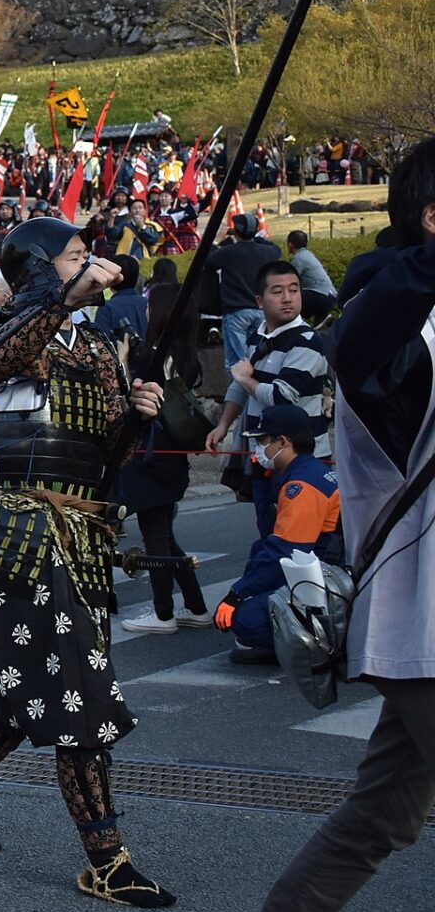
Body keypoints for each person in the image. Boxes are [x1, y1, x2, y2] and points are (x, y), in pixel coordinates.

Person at [0, 219, 176, 908]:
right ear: (38, 267)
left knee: (19, 693)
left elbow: (105, 450)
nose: (90, 264)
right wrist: (61, 301)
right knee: (77, 697)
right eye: (74, 256)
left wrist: (136, 415)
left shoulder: (93, 343)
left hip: (85, 535)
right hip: (27, 534)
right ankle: (107, 859)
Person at [228, 135, 435, 912]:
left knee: (379, 817)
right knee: (377, 819)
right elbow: (366, 341)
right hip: (423, 616)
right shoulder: (391, 327)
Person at [205, 260, 330, 537]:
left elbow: (281, 396)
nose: (288, 298)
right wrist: (223, 425)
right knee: (269, 531)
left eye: (294, 290)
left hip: (302, 460)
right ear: (260, 301)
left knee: (300, 538)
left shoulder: (308, 341)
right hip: (263, 456)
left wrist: (246, 379)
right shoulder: (257, 336)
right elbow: (239, 385)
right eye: (277, 291)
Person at [212, 406, 342, 665]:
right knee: (259, 554)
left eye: (263, 441)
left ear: (283, 442)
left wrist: (236, 595)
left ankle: (315, 641)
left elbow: (285, 551)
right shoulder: (306, 471)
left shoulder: (302, 486)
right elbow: (270, 533)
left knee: (246, 620)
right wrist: (260, 480)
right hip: (323, 573)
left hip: (324, 580)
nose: (258, 449)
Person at [116, 283, 210, 636]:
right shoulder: (187, 356)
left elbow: (130, 401)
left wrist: (123, 360)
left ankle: (163, 612)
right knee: (165, 536)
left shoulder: (151, 357)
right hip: (172, 456)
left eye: (150, 305)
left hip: (149, 458)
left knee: (156, 537)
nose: (146, 310)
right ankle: (196, 607)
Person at [209, 214, 282, 369]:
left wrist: (217, 240)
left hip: (235, 311)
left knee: (237, 362)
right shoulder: (267, 252)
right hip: (261, 311)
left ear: (235, 231)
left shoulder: (229, 252)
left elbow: (208, 260)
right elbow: (277, 249)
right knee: (259, 360)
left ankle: (239, 386)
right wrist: (257, 238)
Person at [93, 256, 148, 358]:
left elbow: (101, 347)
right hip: (151, 363)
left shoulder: (107, 309)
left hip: (120, 364)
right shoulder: (148, 304)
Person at [286, 230, 337, 324]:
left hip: (321, 297)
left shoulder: (298, 258)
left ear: (290, 244)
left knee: (289, 297)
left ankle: (295, 324)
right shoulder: (308, 254)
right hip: (329, 296)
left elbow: (289, 281)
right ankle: (322, 319)